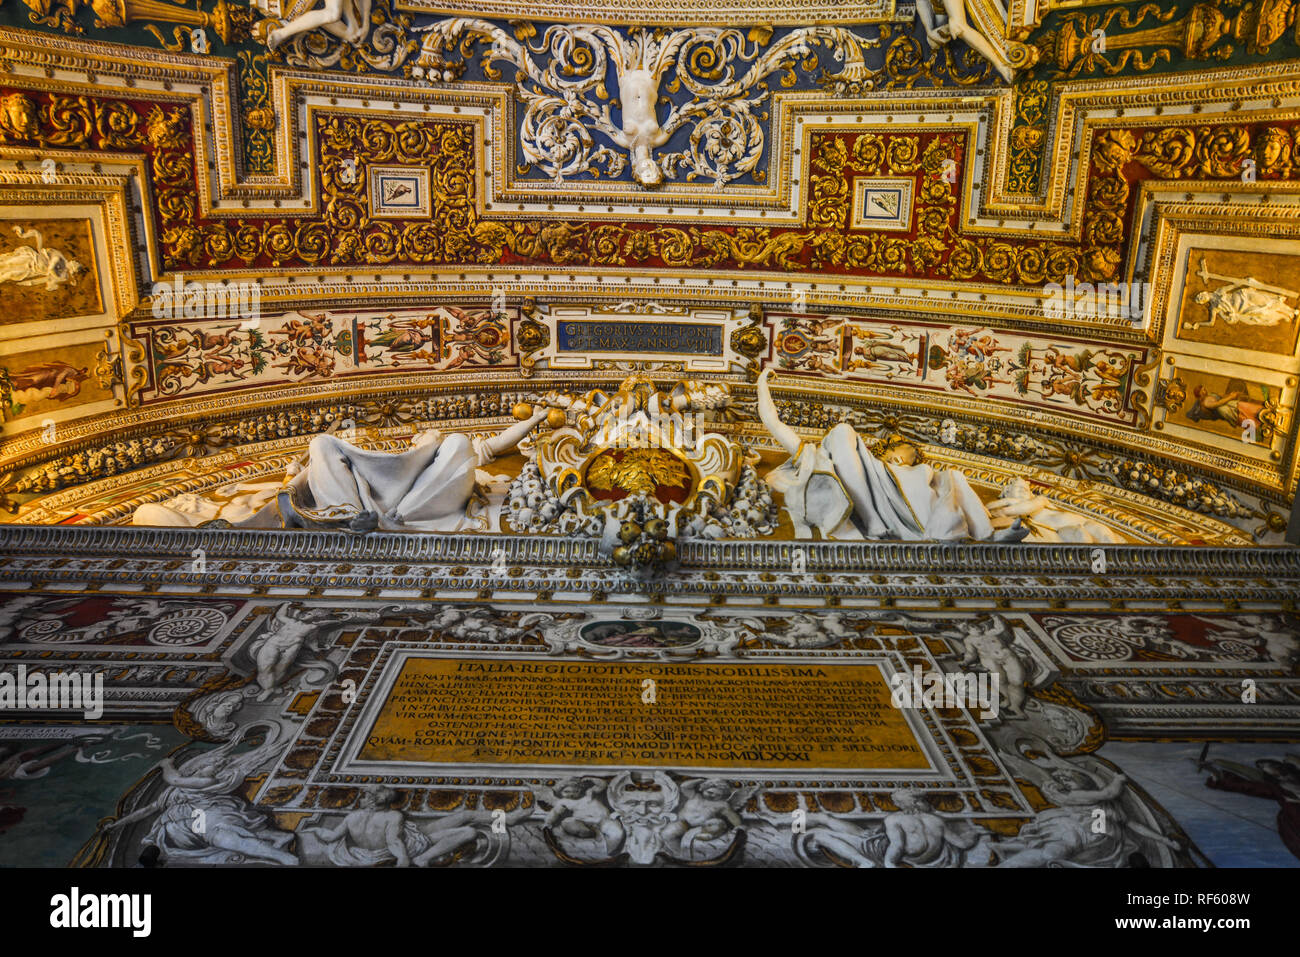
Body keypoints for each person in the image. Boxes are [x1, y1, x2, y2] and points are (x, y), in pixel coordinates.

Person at [756, 369, 1025, 542]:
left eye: (912, 451)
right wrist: (761, 383)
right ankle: (871, 521)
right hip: (877, 511)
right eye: (902, 445)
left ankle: (990, 538)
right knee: (841, 430)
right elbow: (774, 423)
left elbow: (951, 488)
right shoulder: (851, 462)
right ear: (891, 456)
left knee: (954, 475)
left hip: (930, 523)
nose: (911, 450)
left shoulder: (939, 478)